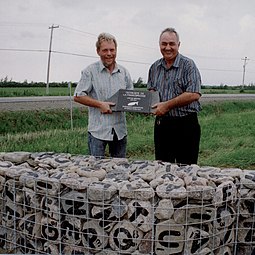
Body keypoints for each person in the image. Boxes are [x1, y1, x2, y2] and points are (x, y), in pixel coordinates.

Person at [147, 27, 202, 165]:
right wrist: (147, 106)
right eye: (164, 44)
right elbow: (152, 93)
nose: (168, 47)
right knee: (163, 167)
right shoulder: (154, 68)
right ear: (159, 45)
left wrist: (166, 105)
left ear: (179, 45)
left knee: (187, 169)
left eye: (172, 44)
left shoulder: (189, 65)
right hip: (162, 126)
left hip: (186, 125)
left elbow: (194, 94)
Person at [74, 32, 133, 158]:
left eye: (112, 50)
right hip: (98, 132)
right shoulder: (89, 71)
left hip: (120, 131)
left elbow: (131, 97)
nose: (109, 54)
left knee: (119, 168)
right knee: (95, 169)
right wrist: (99, 104)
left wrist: (143, 106)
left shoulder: (124, 72)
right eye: (105, 50)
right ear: (98, 51)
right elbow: (78, 96)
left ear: (116, 50)